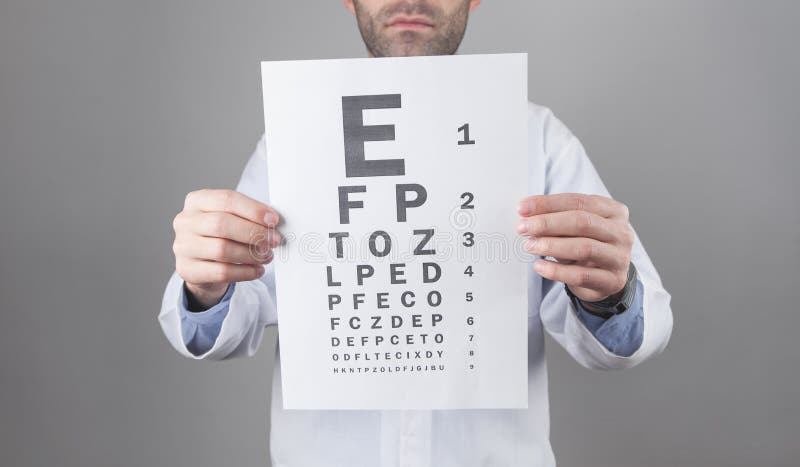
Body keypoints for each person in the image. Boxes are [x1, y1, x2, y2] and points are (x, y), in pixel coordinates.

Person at [158, 1, 673, 465]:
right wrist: (206, 287)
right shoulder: (293, 139)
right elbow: (234, 313)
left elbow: (630, 335)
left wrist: (611, 293)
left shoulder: (538, 139)